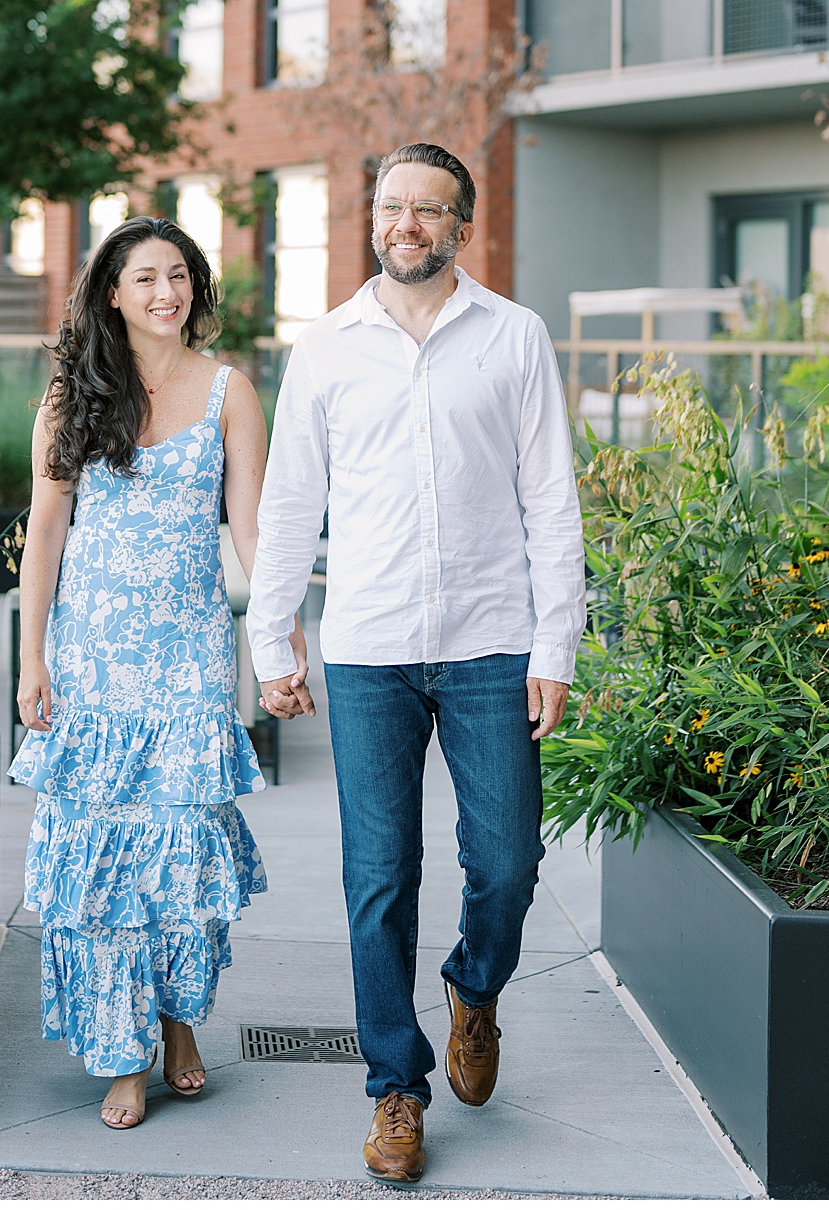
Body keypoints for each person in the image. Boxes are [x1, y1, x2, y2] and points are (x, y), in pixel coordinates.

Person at [245, 142, 587, 1184]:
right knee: (379, 876)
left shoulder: (513, 336)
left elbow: (550, 498)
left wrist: (556, 641)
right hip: (368, 645)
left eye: (429, 211)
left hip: (491, 640)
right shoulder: (327, 347)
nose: (407, 224)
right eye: (392, 206)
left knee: (511, 861)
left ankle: (474, 988)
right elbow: (291, 504)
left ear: (461, 227)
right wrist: (271, 637)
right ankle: (396, 1086)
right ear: (373, 218)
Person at [11, 216, 299, 1130]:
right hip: (91, 661)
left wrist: (283, 646)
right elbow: (44, 532)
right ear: (113, 293)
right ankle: (121, 1053)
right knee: (101, 865)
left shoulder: (230, 392)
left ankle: (179, 1024)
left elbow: (252, 532)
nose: (166, 292)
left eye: (178, 276)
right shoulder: (72, 395)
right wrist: (33, 658)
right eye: (146, 279)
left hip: (187, 665)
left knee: (179, 859)